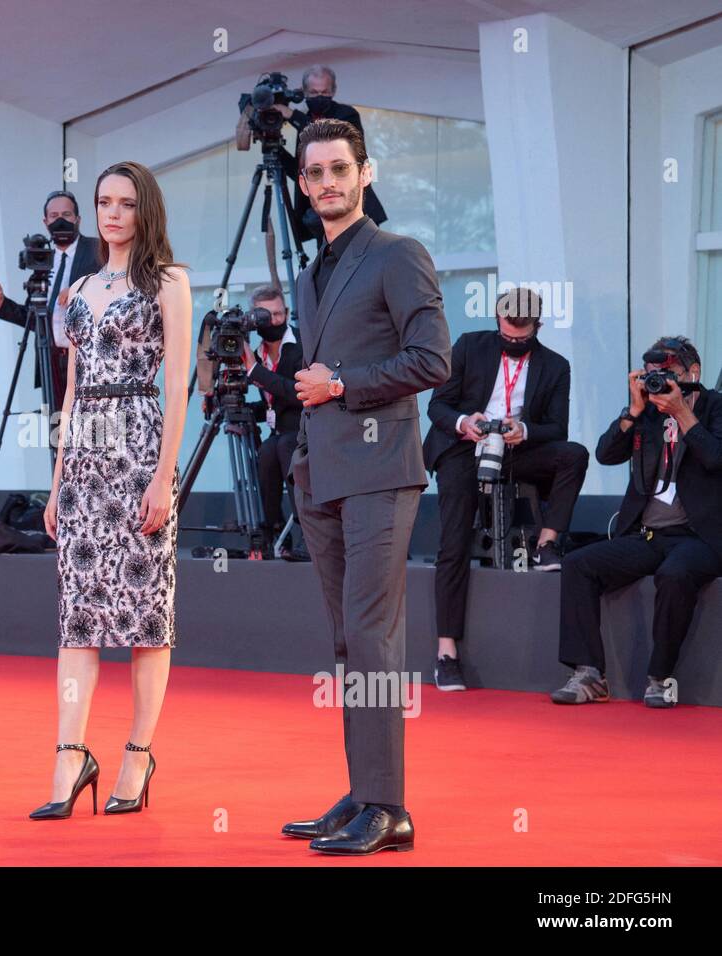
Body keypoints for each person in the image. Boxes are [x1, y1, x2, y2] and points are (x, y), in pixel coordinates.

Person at [283, 118, 451, 854]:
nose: (327, 183)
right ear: (302, 183)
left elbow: (434, 360)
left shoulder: (397, 254)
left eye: (339, 169)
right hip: (322, 476)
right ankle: (363, 792)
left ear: (365, 172)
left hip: (381, 475)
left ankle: (390, 807)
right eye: (314, 172)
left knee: (376, 640)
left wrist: (341, 383)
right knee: (351, 641)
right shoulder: (310, 272)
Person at [30, 161, 191, 820]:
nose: (111, 213)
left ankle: (137, 754)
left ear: (144, 210)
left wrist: (163, 477)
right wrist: (57, 480)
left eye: (125, 203)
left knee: (147, 617)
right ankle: (70, 756)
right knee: (78, 619)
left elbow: (177, 382)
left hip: (140, 442)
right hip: (86, 457)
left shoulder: (168, 281)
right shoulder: (83, 288)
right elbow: (70, 391)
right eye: (103, 201)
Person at [423, 288, 589, 690]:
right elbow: (437, 406)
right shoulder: (468, 346)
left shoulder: (556, 365)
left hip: (516, 449)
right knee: (453, 542)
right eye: (507, 334)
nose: (513, 342)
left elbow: (558, 428)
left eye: (522, 337)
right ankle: (447, 653)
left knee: (574, 454)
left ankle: (547, 542)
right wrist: (466, 422)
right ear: (497, 321)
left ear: (538, 326)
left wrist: (524, 430)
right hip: (463, 448)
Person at [553, 336, 722, 709]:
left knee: (675, 574)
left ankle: (661, 678)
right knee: (578, 564)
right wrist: (632, 409)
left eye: (668, 375)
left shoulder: (714, 407)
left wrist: (682, 412)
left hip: (700, 537)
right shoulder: (645, 412)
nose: (660, 383)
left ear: (692, 373)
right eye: (652, 376)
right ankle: (589, 674)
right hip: (646, 534)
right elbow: (605, 453)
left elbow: (716, 459)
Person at [0, 190, 103, 413]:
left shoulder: (98, 249)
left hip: (88, 360)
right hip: (50, 361)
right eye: (54, 215)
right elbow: (35, 320)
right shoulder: (40, 258)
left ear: (78, 219)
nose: (60, 220)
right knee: (57, 430)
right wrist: (2, 303)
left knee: (90, 431)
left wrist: (82, 291)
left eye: (66, 214)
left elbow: (116, 288)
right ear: (45, 221)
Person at [285, 65, 387, 248]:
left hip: (353, 210)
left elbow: (330, 138)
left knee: (364, 267)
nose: (319, 97)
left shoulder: (346, 114)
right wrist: (275, 148)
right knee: (329, 272)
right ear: (304, 93)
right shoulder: (304, 121)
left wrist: (293, 116)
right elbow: (303, 173)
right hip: (323, 213)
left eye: (325, 92)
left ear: (333, 91)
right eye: (314, 93)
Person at [240, 285, 306, 554]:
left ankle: (305, 532)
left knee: (280, 445)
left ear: (287, 312)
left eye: (279, 314)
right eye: (267, 317)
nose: (275, 321)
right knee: (268, 449)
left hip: (307, 432)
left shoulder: (303, 344)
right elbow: (273, 404)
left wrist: (254, 371)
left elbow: (296, 394)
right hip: (280, 436)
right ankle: (274, 532)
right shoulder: (258, 355)